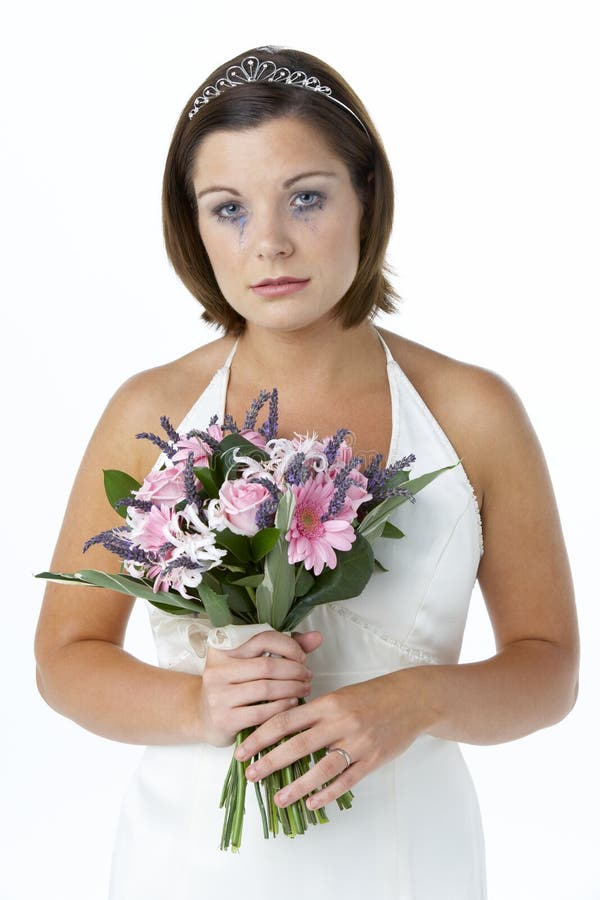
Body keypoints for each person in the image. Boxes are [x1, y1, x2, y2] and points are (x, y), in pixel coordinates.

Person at [34, 45, 580, 899]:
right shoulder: (149, 410)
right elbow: (65, 658)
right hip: (188, 866)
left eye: (307, 197)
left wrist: (418, 701)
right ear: (193, 226)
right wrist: (195, 707)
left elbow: (549, 672)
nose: (271, 244)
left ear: (367, 195)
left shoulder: (473, 412)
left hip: (411, 860)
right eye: (229, 210)